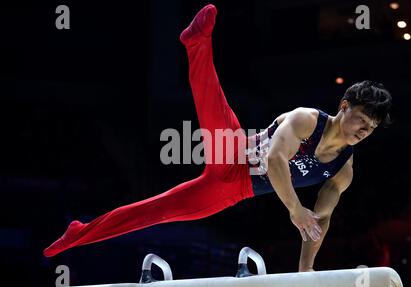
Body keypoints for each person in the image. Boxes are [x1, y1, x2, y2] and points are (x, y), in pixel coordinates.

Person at [44, 4, 392, 272]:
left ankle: (80, 233)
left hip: (231, 191)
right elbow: (274, 161)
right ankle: (197, 42)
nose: (364, 131)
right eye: (362, 120)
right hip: (235, 152)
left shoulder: (343, 170)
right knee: (217, 110)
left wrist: (304, 271)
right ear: (344, 106)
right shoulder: (306, 120)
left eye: (371, 129)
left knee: (156, 211)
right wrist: (295, 209)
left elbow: (318, 223)